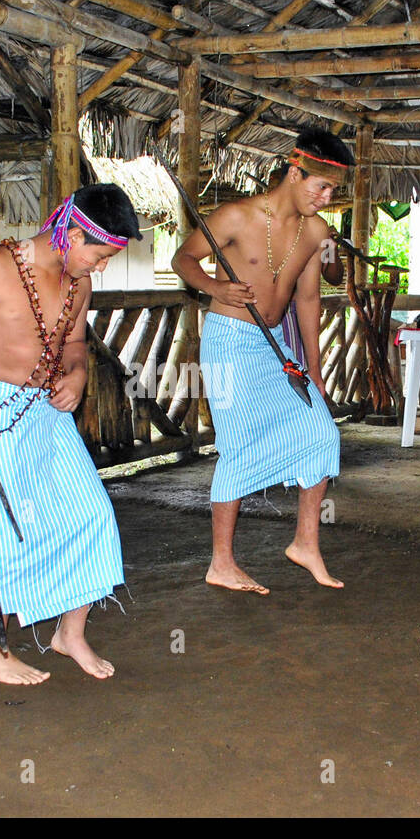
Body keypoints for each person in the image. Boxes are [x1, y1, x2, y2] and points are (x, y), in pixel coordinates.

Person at [0, 184, 141, 683]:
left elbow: (73, 344)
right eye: (100, 253)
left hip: (47, 411)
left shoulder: (78, 282)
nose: (102, 265)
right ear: (69, 232)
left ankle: (71, 633)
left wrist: (78, 376)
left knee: (90, 513)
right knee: (13, 532)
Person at [171, 128, 349, 595]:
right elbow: (184, 258)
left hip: (274, 344)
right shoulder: (236, 215)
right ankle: (221, 562)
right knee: (239, 443)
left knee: (321, 431)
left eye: (333, 191)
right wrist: (215, 288)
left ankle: (305, 542)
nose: (327, 198)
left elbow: (308, 299)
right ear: (295, 172)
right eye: (321, 187)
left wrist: (313, 369)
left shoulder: (316, 231)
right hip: (230, 341)